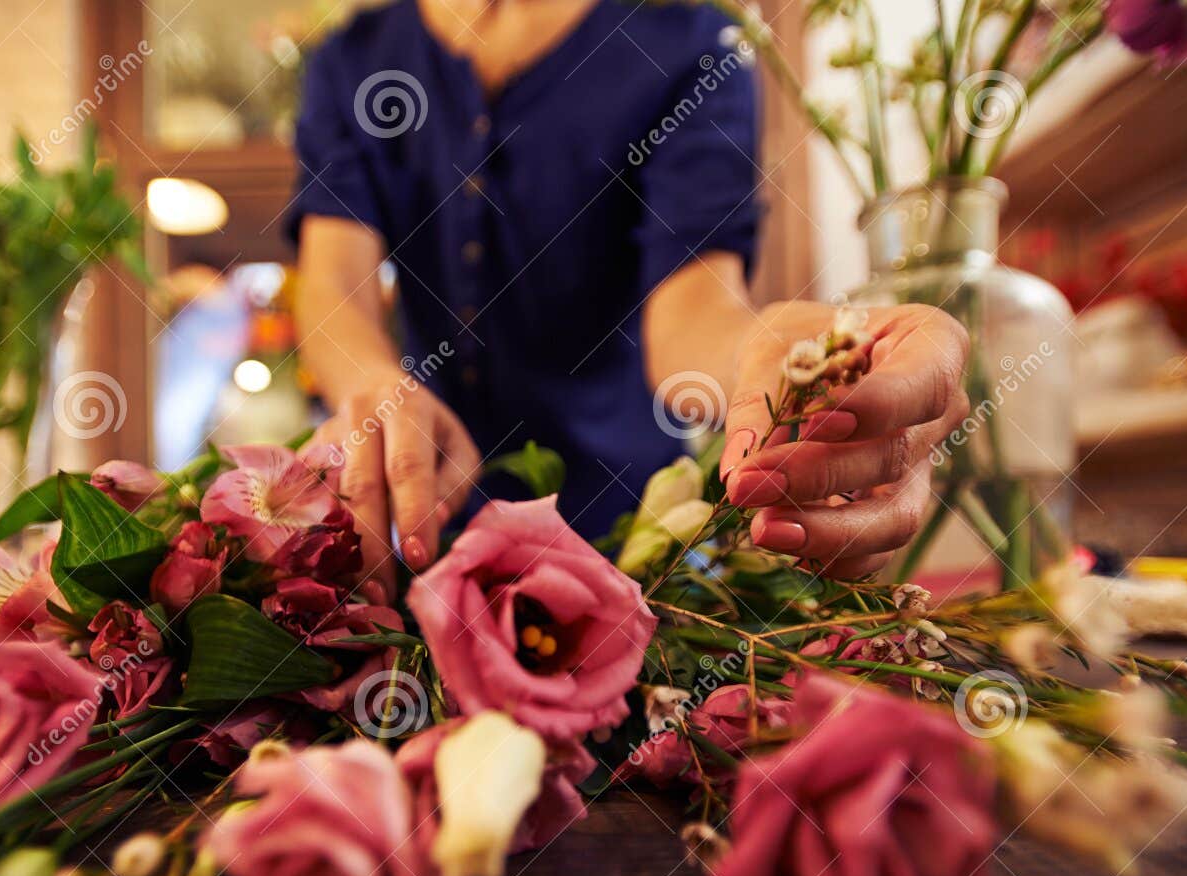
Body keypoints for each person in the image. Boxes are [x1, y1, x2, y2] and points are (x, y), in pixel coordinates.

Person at [291, 0, 968, 602]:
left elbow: (691, 321)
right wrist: (377, 387)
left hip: (631, 561)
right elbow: (334, 287)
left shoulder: (692, 45)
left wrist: (803, 365)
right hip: (417, 543)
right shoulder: (352, 61)